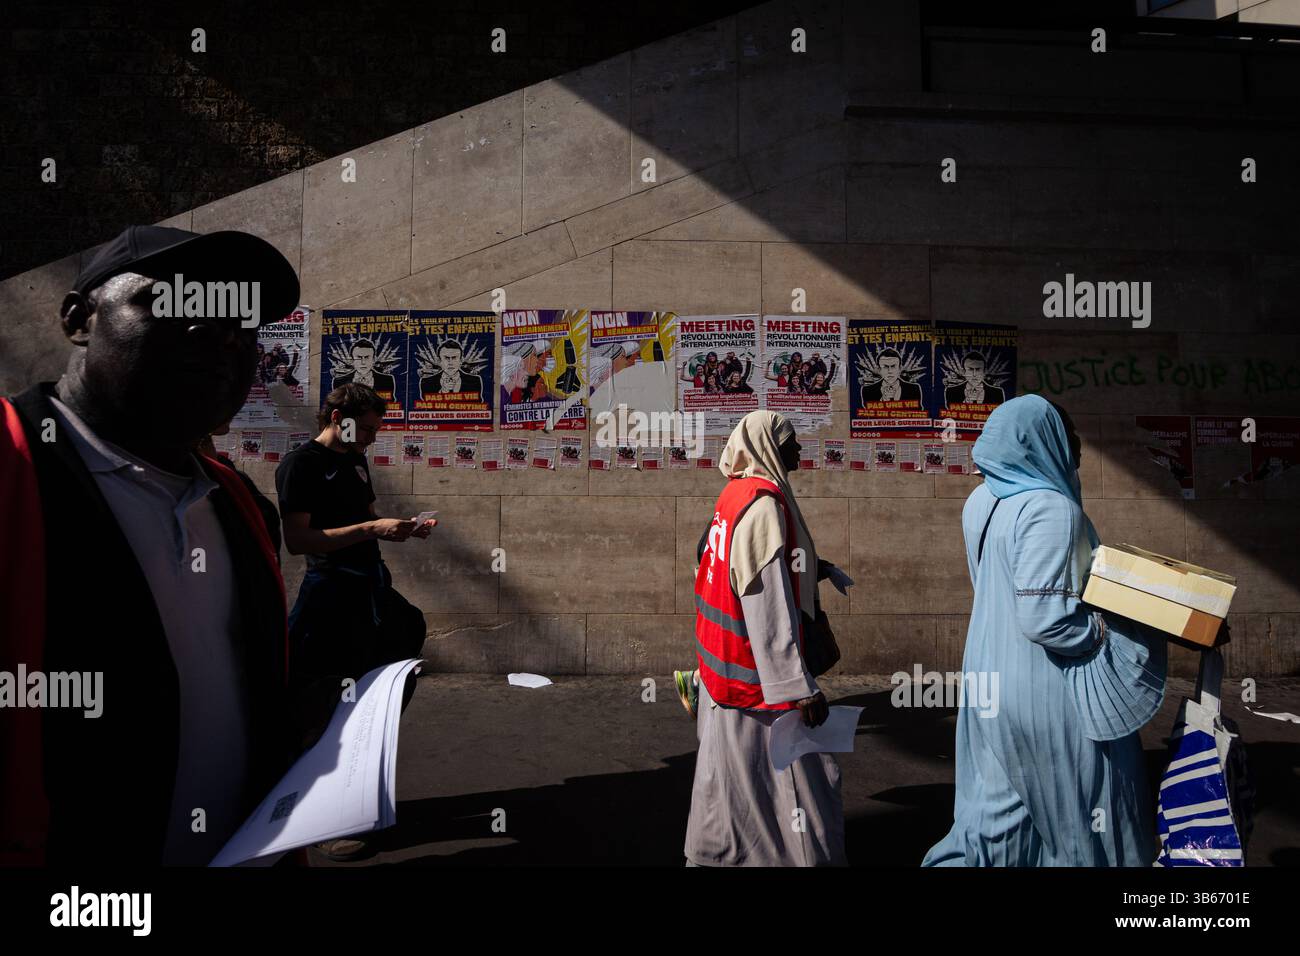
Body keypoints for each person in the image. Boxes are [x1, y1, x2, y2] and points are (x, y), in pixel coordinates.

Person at [0, 224, 307, 866]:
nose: (215, 331)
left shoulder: (240, 506)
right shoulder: (11, 463)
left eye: (239, 320)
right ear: (79, 319)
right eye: (173, 301)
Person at [923, 395, 1170, 867]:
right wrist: (1103, 631)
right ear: (1039, 441)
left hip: (989, 675)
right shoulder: (1052, 510)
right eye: (1066, 435)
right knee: (1078, 809)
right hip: (1045, 689)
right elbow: (1044, 619)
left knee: (995, 814)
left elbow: (996, 587)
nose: (1074, 448)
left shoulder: (982, 501)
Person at [274, 383, 434, 861]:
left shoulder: (355, 462)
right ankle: (316, 819)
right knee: (323, 708)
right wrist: (369, 529)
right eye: (363, 429)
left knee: (397, 656)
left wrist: (398, 529)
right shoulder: (299, 465)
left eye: (374, 431)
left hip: (370, 590)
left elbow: (366, 519)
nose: (369, 439)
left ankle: (354, 794)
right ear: (337, 415)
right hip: (329, 596)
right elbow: (300, 540)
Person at [683, 410, 847, 867]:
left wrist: (817, 569)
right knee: (799, 788)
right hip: (758, 684)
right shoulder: (764, 508)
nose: (798, 450)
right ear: (769, 447)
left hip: (724, 669)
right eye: (791, 442)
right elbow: (767, 603)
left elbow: (719, 568)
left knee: (736, 787)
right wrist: (796, 688)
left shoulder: (735, 496)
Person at [332, 339, 396, 397]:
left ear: (373, 359)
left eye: (367, 357)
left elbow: (389, 405)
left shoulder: (387, 380)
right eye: (359, 357)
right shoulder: (339, 382)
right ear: (352, 360)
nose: (363, 362)